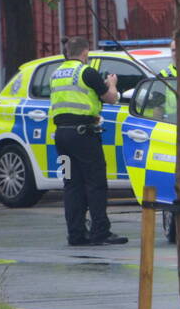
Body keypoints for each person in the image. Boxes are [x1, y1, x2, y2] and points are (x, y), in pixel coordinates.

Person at [50, 37, 127, 246]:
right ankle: (100, 231)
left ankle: (75, 234)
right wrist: (111, 84)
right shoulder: (86, 72)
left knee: (71, 185)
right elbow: (110, 98)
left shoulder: (56, 74)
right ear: (85, 53)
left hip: (62, 137)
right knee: (95, 183)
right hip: (83, 135)